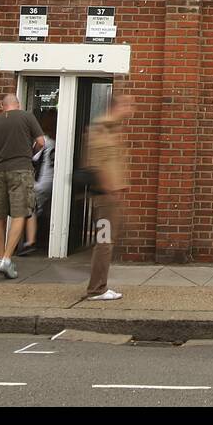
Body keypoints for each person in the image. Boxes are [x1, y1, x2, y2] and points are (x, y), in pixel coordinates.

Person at [0, 94, 45, 280]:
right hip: (21, 170)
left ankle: (0, 258)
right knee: (20, 213)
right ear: (18, 104)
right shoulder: (27, 117)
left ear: (3, 106)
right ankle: (8, 258)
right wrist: (27, 153)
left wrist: (0, 154)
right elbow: (41, 142)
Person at [83, 94, 133, 301]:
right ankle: (96, 289)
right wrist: (109, 190)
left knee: (106, 242)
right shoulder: (100, 129)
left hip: (110, 197)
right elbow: (95, 165)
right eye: (127, 105)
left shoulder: (111, 128)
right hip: (105, 199)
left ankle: (99, 286)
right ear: (116, 107)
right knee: (104, 242)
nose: (130, 108)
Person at [18, 110, 56, 257]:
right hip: (52, 180)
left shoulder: (43, 140)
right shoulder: (54, 140)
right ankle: (35, 239)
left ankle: (29, 241)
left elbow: (33, 158)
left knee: (29, 210)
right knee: (39, 210)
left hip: (40, 181)